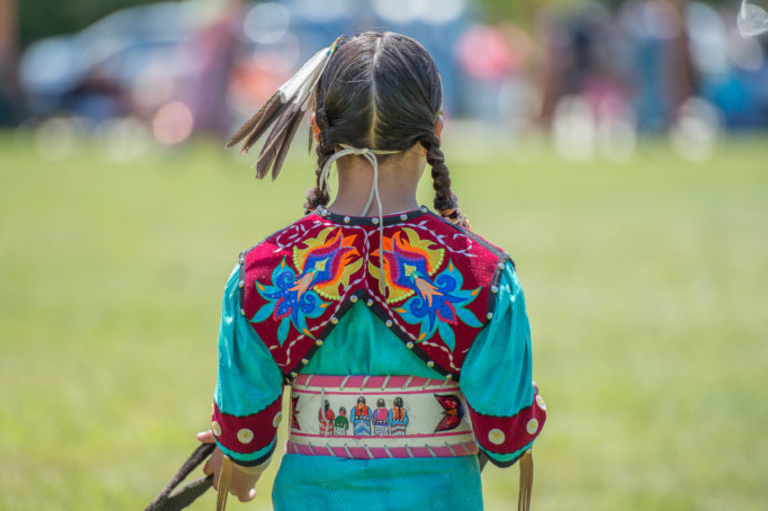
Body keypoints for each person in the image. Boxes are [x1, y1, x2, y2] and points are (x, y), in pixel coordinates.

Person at [196, 31, 547, 511]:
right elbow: (507, 435)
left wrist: (234, 468)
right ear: (436, 132)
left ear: (319, 132)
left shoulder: (264, 276)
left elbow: (246, 438)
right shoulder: (482, 276)